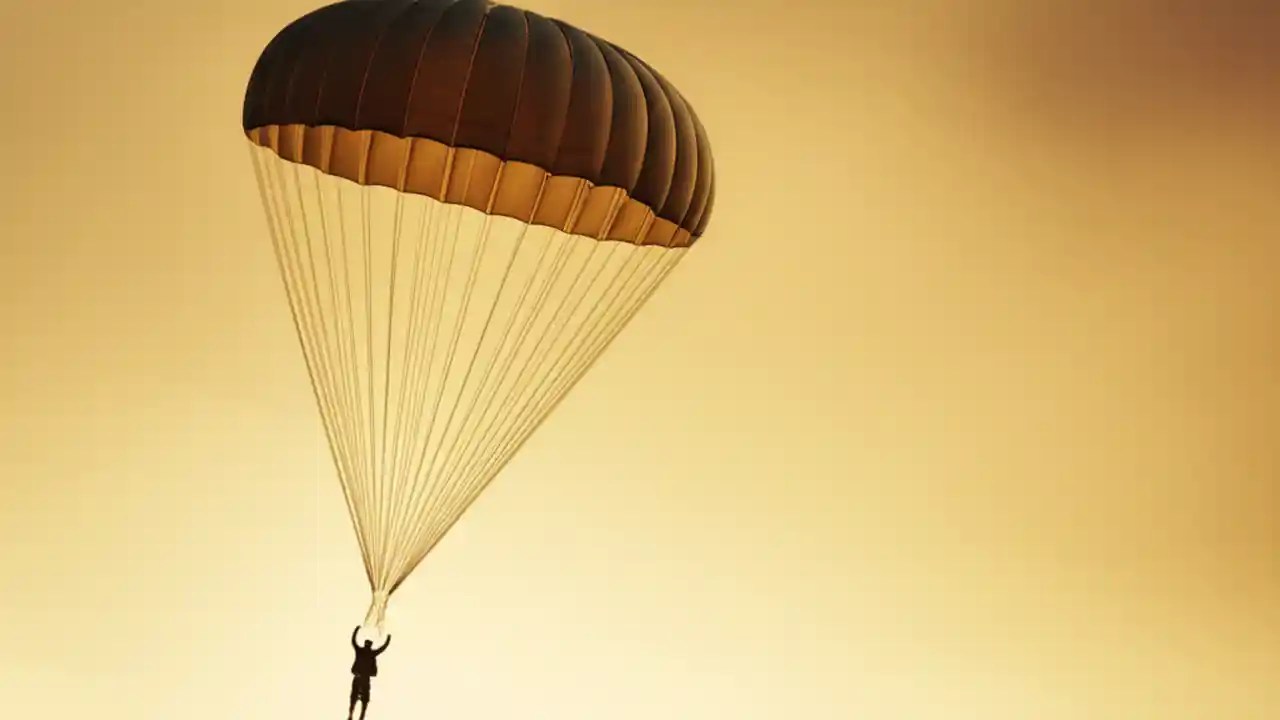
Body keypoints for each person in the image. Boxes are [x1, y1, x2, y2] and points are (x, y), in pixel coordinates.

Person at [348, 626, 391, 720]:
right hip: (363, 679)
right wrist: (388, 639)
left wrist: (356, 630)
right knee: (362, 699)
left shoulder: (361, 651)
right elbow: (382, 648)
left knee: (356, 698)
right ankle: (356, 715)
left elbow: (353, 641)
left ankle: (353, 715)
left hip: (360, 678)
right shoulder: (369, 653)